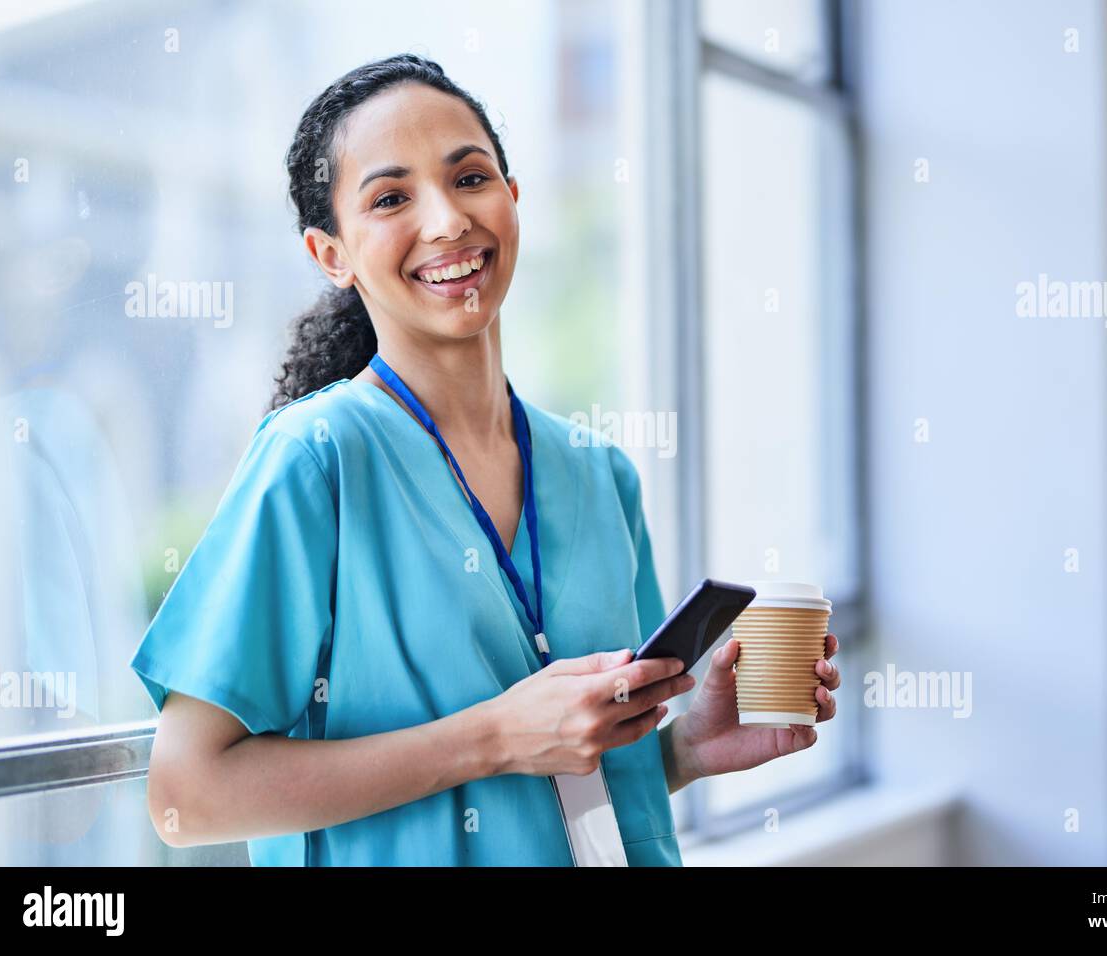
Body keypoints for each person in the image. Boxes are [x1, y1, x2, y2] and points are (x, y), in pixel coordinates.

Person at [129, 53, 842, 866]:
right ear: (332, 255)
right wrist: (491, 737)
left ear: (513, 198)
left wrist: (684, 750)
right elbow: (185, 796)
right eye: (392, 198)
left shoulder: (597, 473)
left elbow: (570, 776)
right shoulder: (315, 461)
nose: (446, 221)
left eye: (470, 179)